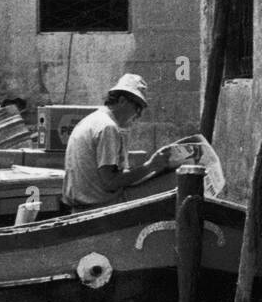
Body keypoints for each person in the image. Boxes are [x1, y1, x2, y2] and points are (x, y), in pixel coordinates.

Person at [62, 74, 176, 211]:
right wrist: (150, 166)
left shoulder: (93, 120)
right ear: (122, 101)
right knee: (172, 182)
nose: (138, 115)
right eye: (137, 107)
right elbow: (110, 182)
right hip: (99, 206)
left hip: (84, 202)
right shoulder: (108, 127)